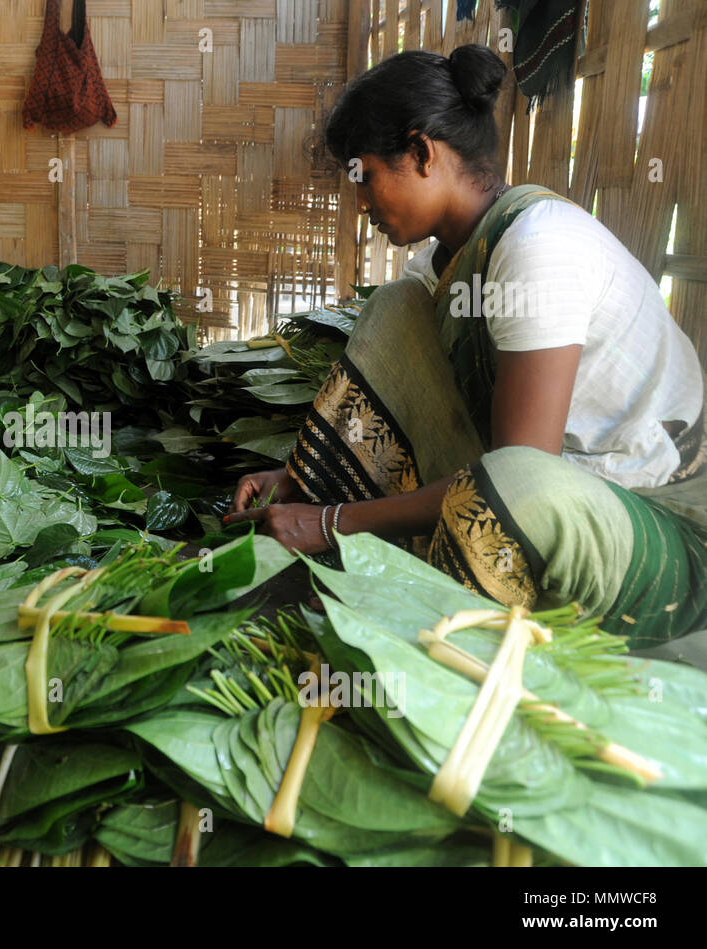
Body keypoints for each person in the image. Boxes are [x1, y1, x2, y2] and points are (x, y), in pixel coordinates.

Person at [228, 45, 706, 643]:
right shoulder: (448, 261)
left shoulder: (538, 247)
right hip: (550, 489)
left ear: (422, 152)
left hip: (657, 531)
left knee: (515, 481)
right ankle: (338, 527)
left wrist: (331, 522)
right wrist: (301, 481)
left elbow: (519, 477)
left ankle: (423, 592)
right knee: (394, 311)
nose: (362, 201)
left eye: (365, 175)